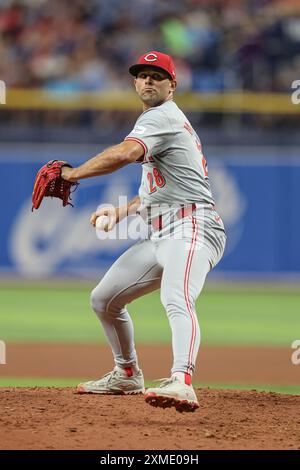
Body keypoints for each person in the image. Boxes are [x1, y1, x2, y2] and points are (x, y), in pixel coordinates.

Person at [61, 51, 226, 413]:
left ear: (172, 85)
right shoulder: (155, 121)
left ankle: (182, 380)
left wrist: (71, 174)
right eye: (142, 75)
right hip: (163, 231)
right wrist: (122, 211)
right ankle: (127, 373)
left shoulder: (162, 117)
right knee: (104, 299)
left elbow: (122, 154)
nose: (148, 80)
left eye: (157, 75)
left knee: (177, 296)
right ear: (135, 83)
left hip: (194, 225)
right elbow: (157, 188)